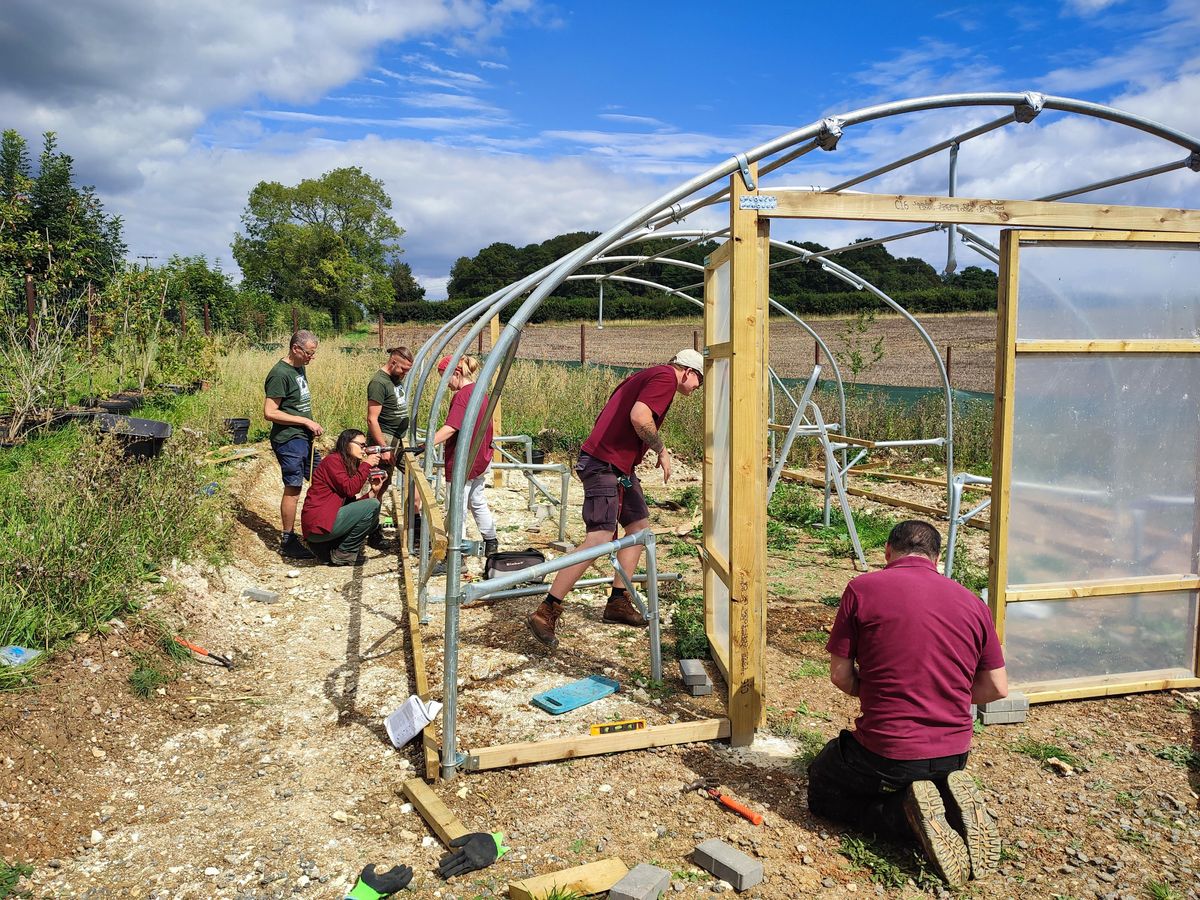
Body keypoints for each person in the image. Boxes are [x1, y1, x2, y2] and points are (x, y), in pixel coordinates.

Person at [807, 520, 1007, 887]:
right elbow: (997, 687)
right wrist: (951, 694)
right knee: (922, 778)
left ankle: (904, 818)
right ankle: (947, 808)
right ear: (936, 558)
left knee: (823, 783)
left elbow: (840, 675)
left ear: (887, 551)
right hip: (954, 753)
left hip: (888, 752)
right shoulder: (973, 603)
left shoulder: (862, 589)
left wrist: (877, 690)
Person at [526, 349, 704, 650]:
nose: (699, 387)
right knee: (599, 537)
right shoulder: (663, 377)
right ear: (687, 371)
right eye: (700, 379)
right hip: (603, 464)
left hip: (618, 466)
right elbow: (639, 416)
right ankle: (547, 609)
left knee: (639, 530)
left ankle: (618, 601)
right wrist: (661, 449)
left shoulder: (646, 375)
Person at [431, 355, 498, 563]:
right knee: (477, 500)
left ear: (456, 373)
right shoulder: (480, 392)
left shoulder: (462, 395)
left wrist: (425, 445)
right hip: (480, 458)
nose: (445, 384)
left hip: (464, 460)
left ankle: (455, 555)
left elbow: (451, 427)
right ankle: (491, 541)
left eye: (445, 378)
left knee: (456, 506)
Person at [264, 330, 323, 559]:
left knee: (320, 478)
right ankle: (288, 539)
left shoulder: (299, 367)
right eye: (309, 353)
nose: (312, 357)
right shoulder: (279, 374)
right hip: (289, 439)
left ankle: (318, 527)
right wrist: (305, 421)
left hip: (303, 437)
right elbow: (270, 412)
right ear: (296, 349)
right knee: (294, 486)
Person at [301, 429, 388, 566]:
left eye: (365, 446)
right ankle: (344, 553)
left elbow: (350, 504)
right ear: (346, 443)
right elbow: (350, 489)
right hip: (318, 526)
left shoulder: (345, 463)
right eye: (361, 445)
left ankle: (334, 550)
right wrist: (366, 464)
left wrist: (373, 491)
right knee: (373, 505)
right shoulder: (333, 461)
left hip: (325, 525)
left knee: (373, 510)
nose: (364, 450)